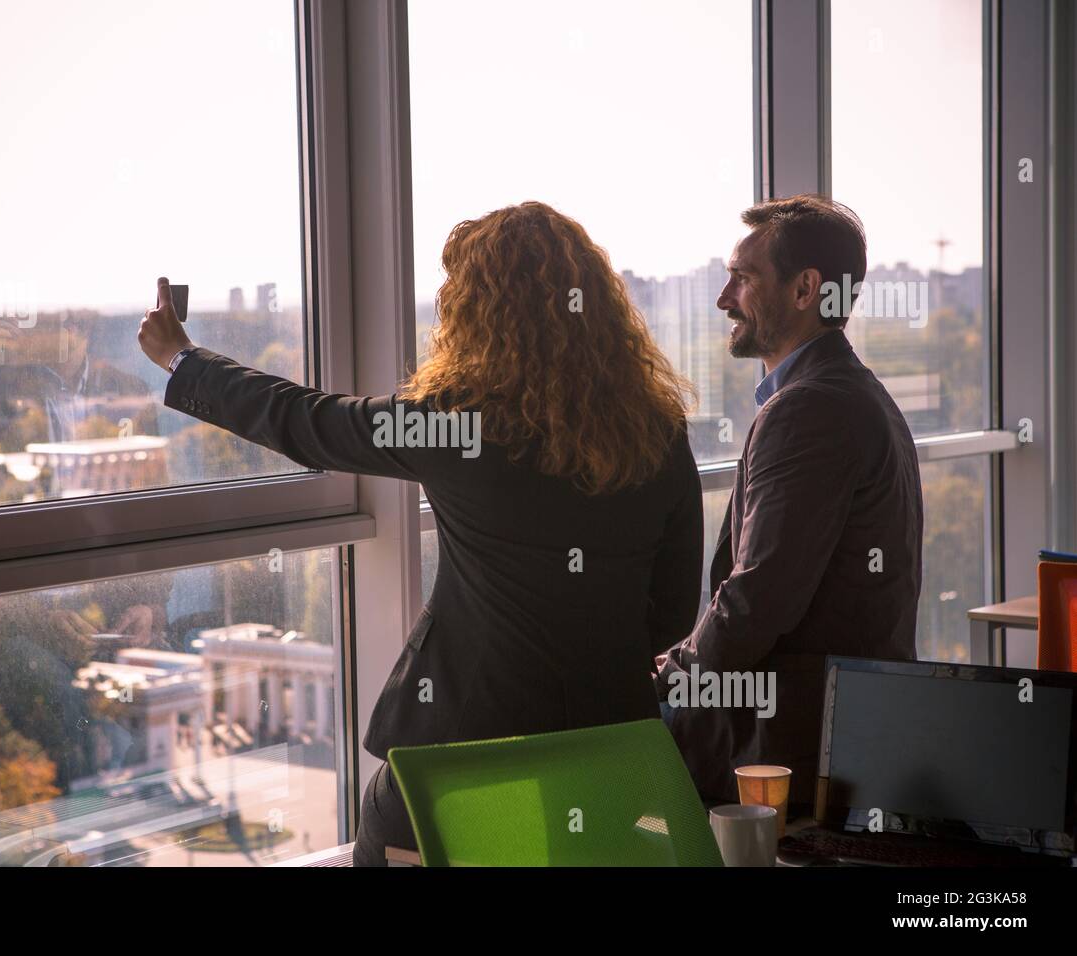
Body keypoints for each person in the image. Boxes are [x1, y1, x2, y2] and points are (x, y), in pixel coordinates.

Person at [139, 201, 703, 866]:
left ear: (478, 313)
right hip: (610, 756)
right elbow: (670, 611)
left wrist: (183, 359)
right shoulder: (657, 433)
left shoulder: (458, 426)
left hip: (463, 762)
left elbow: (305, 420)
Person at [655, 194, 923, 808]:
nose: (724, 299)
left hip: (799, 748)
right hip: (848, 731)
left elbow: (759, 596)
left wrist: (677, 677)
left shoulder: (808, 409)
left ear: (805, 290)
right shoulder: (856, 393)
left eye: (743, 279)